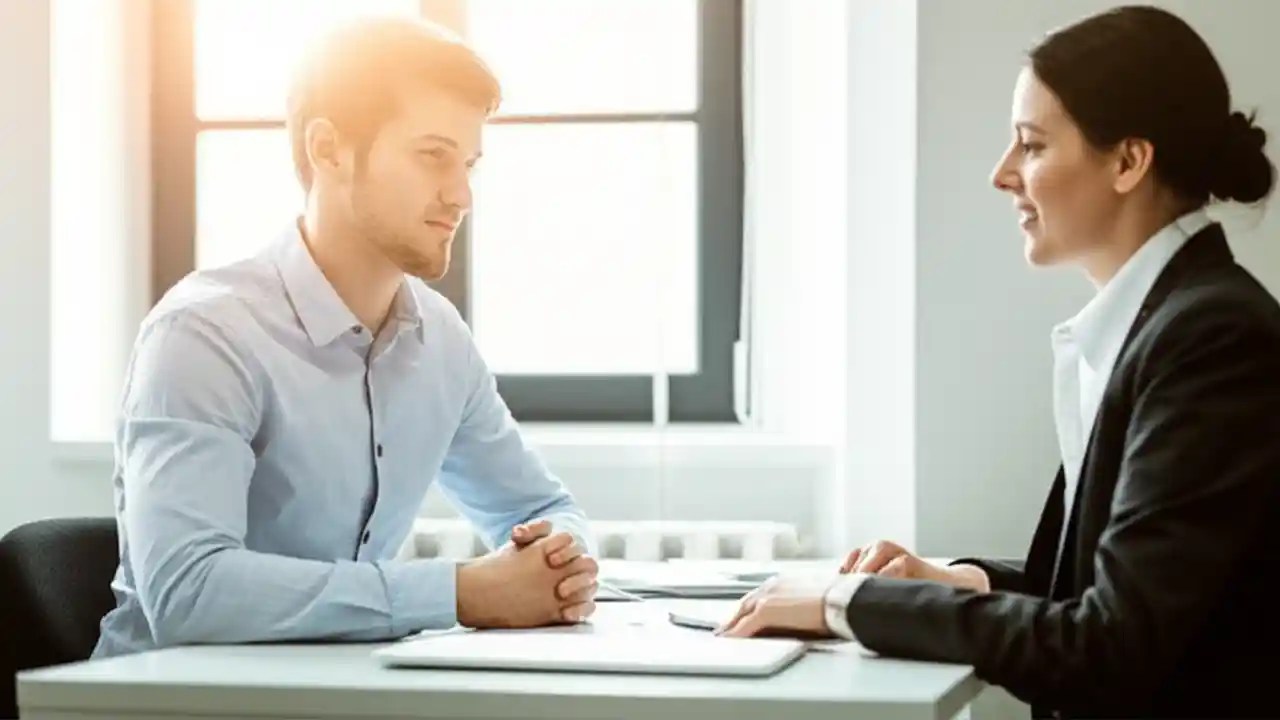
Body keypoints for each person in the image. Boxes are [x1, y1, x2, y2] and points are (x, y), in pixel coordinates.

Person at [718, 6, 1280, 718]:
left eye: (1032, 145)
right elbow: (1097, 593)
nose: (1002, 174)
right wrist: (960, 582)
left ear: (1129, 161)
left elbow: (1109, 645)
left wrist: (846, 604)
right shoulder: (1165, 324)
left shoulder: (1211, 339)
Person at [93, 17, 599, 658]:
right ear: (329, 149)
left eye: (468, 164)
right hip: (165, 702)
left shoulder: (439, 339)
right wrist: (460, 592)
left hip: (338, 690)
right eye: (432, 156)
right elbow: (188, 594)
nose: (462, 193)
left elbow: (539, 503)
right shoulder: (204, 334)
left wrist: (559, 561)